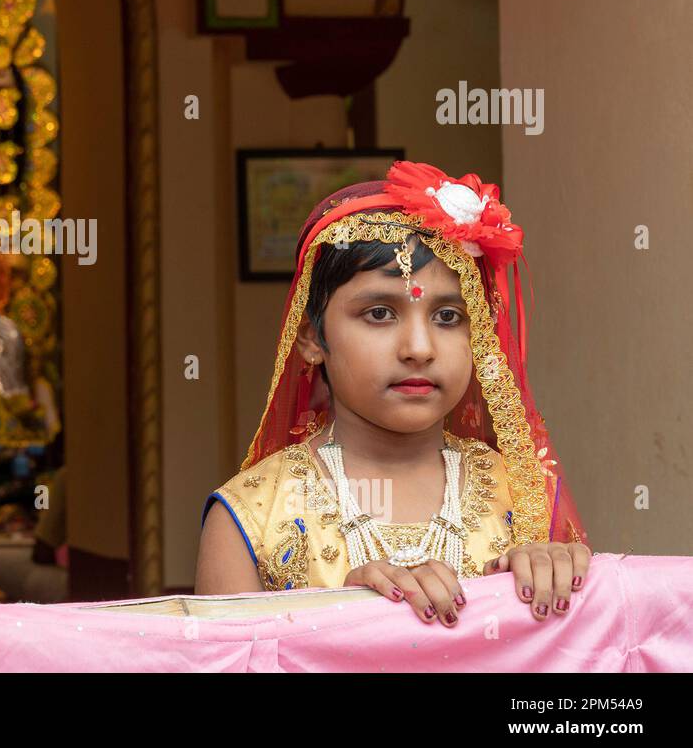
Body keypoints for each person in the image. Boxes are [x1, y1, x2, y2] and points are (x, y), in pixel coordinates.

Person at [196, 161, 589, 629]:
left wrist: (553, 575)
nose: (420, 349)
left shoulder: (524, 495)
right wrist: (343, 624)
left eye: (448, 317)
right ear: (311, 338)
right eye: (380, 313)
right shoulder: (249, 518)